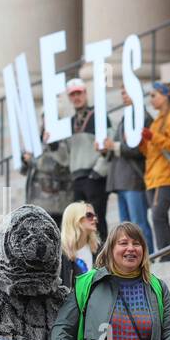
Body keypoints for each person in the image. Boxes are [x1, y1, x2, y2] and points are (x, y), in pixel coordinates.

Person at [104, 88, 154, 250]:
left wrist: (116, 146)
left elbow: (141, 150)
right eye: (122, 93)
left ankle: (148, 258)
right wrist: (107, 148)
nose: (123, 96)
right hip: (120, 179)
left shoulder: (145, 118)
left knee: (138, 224)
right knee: (125, 228)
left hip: (134, 178)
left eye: (127, 92)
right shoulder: (126, 118)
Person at [140, 81, 170, 259]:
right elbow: (150, 151)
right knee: (158, 217)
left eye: (154, 95)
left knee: (158, 216)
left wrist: (153, 137)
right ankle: (166, 255)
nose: (151, 99)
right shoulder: (157, 119)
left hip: (166, 176)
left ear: (165, 95)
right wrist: (143, 141)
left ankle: (167, 257)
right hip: (153, 175)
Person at [65, 78, 111, 243]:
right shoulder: (69, 123)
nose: (76, 97)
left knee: (97, 222)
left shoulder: (98, 116)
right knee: (81, 226)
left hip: (95, 177)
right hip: (77, 178)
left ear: (85, 93)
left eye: (79, 93)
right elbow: (65, 153)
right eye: (73, 94)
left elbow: (109, 143)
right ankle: (92, 263)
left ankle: (105, 261)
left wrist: (97, 172)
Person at [22, 129, 72, 226]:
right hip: (36, 204)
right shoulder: (36, 141)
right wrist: (24, 161)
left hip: (55, 204)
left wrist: (32, 160)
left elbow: (58, 166)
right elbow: (24, 170)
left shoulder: (61, 140)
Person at [59, 201, 100, 287]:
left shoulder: (99, 250)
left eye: (95, 216)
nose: (95, 219)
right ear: (75, 219)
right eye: (89, 215)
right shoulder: (59, 253)